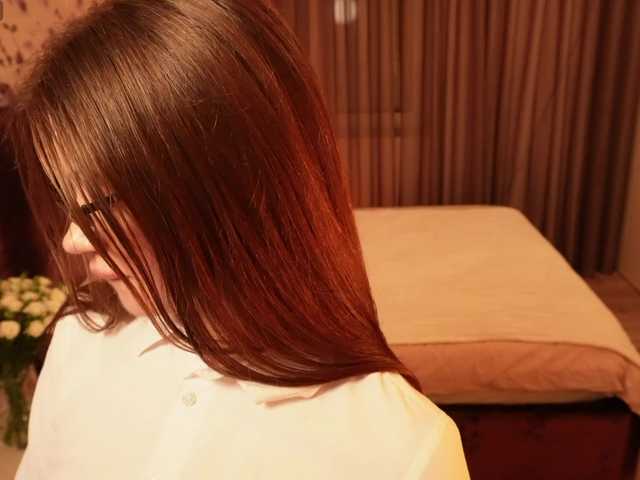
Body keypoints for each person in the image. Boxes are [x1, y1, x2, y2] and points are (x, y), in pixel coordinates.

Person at [4, 0, 470, 478]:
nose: (73, 240)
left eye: (102, 203)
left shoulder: (402, 450)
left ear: (226, 186)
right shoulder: (80, 339)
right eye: (67, 198)